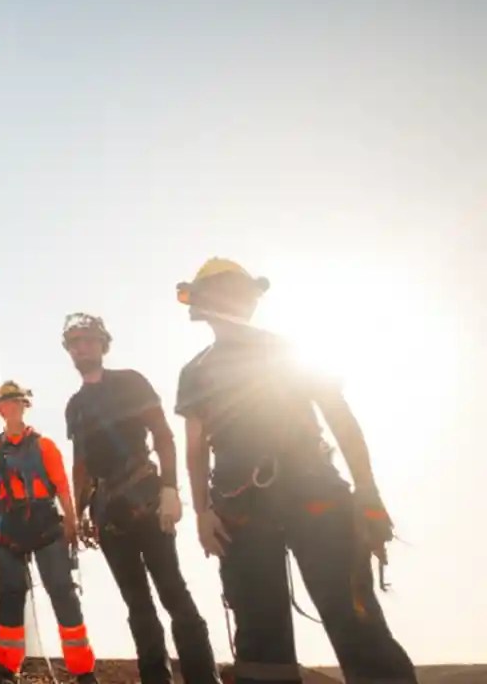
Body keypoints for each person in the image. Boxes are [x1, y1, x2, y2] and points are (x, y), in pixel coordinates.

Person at [175, 257, 417, 684]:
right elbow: (195, 448)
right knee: (260, 643)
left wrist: (368, 493)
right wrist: (202, 512)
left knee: (355, 622)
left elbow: (341, 419)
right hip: (239, 511)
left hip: (315, 494)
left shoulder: (288, 349)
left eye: (240, 291)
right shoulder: (195, 371)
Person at [62, 313, 219, 684]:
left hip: (147, 497)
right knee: (137, 604)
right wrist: (79, 512)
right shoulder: (75, 405)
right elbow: (81, 463)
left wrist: (170, 488)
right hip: (107, 510)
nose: (80, 348)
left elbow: (163, 435)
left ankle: (202, 678)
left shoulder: (131, 382)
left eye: (87, 340)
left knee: (172, 590)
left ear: (102, 344)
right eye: (73, 343)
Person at [0, 381, 98, 684]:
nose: (12, 407)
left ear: (24, 406)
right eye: (7, 403)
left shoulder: (44, 445)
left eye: (17, 402)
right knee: (10, 594)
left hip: (45, 523)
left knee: (62, 591)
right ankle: (7, 667)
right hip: (7, 527)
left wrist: (71, 521)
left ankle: (83, 670)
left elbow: (60, 485)